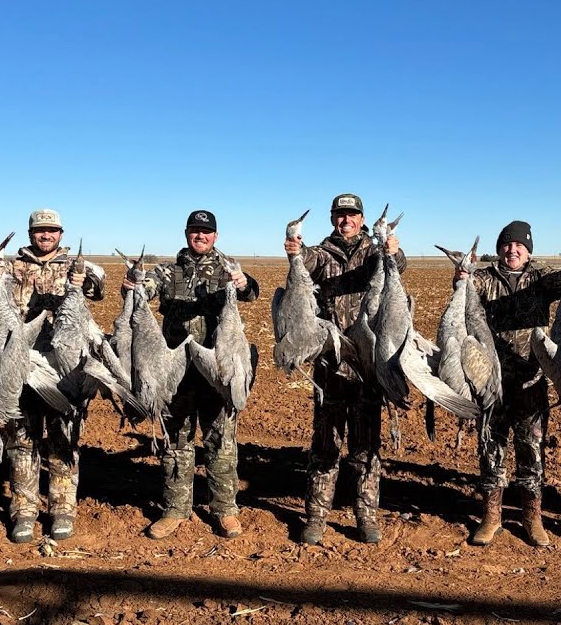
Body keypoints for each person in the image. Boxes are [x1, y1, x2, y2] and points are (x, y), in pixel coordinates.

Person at [126, 210, 260, 540]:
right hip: (175, 372)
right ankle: (174, 509)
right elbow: (145, 290)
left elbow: (251, 292)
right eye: (194, 231)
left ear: (215, 235)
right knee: (176, 443)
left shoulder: (227, 267)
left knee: (220, 443)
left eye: (206, 232)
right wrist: (135, 285)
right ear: (186, 234)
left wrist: (243, 282)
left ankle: (225, 510)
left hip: (217, 371)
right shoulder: (167, 271)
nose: (200, 236)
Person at [282, 193, 403, 545]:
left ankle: (365, 516)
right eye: (340, 215)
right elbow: (304, 262)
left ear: (362, 218)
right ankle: (316, 517)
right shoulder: (323, 252)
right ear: (333, 219)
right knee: (325, 444)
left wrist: (393, 250)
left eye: (352, 215)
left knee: (366, 447)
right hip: (330, 364)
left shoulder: (375, 250)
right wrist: (294, 251)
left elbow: (400, 267)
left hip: (367, 366)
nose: (346, 220)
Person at [0, 208, 103, 543]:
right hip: (18, 363)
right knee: (21, 439)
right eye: (39, 231)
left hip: (63, 368)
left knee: (63, 438)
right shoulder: (13, 266)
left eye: (51, 230)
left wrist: (83, 279)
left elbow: (98, 289)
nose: (45, 235)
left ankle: (62, 509)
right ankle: (24, 510)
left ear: (60, 233)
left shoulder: (75, 265)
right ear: (30, 233)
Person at [462, 221, 561, 547]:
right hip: (492, 381)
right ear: (499, 248)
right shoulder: (485, 278)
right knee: (491, 447)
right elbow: (468, 288)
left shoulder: (540, 278)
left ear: (528, 250)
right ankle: (491, 516)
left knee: (531, 450)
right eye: (506, 245)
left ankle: (532, 517)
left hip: (531, 381)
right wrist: (462, 275)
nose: (512, 250)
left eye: (519, 246)